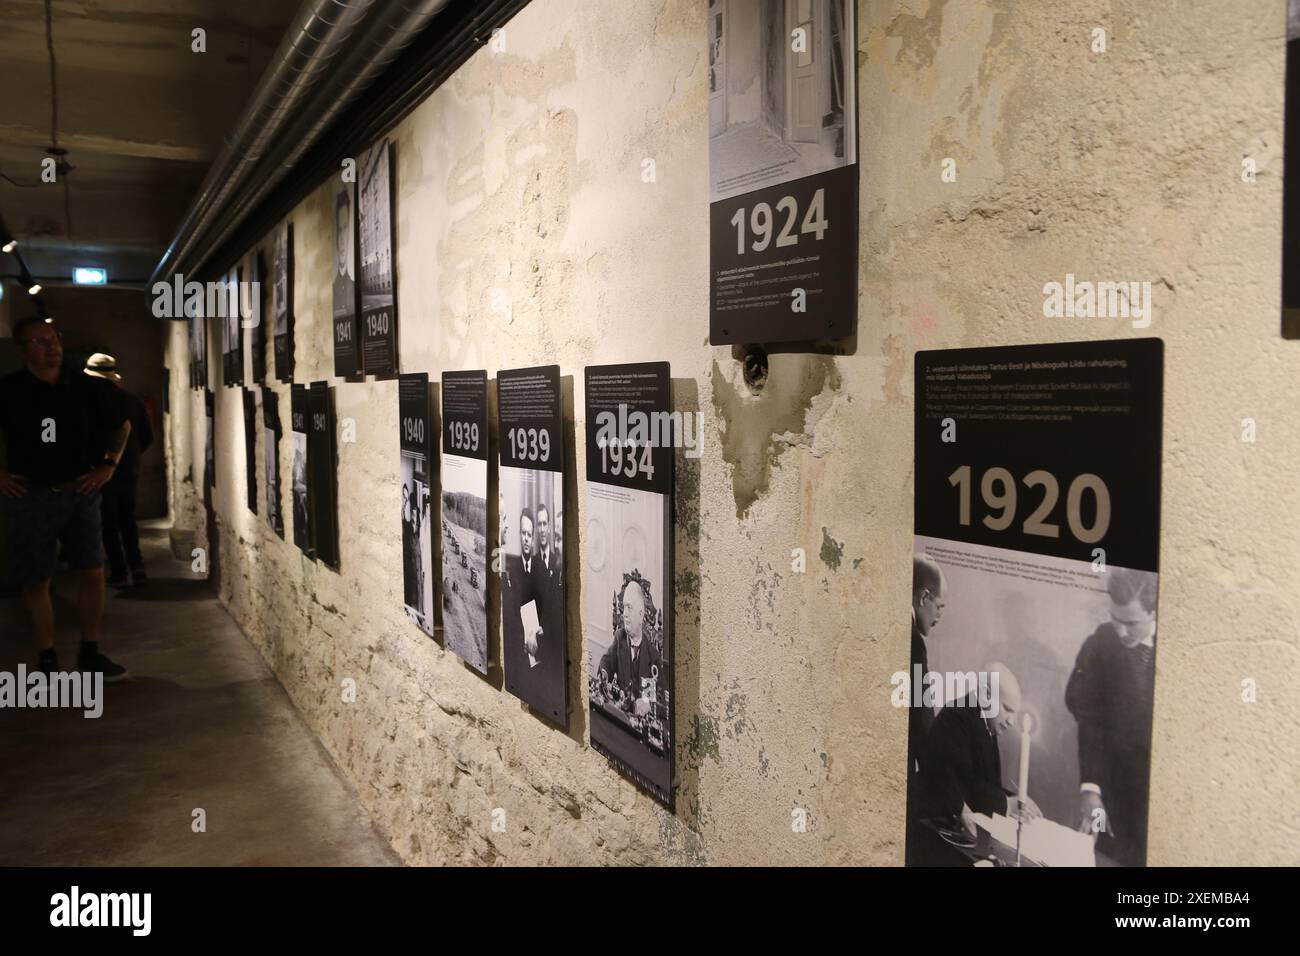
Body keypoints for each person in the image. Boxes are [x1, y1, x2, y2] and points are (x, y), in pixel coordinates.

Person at [0, 316, 130, 680]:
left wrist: (109, 465)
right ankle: (46, 654)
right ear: (23, 349)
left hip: (79, 492)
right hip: (31, 494)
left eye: (53, 337)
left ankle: (90, 650)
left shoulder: (85, 387)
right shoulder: (9, 389)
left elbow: (122, 424)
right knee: (37, 579)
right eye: (40, 341)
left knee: (92, 572)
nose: (52, 345)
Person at [1065, 568, 1159, 866]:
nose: (1121, 631)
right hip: (1113, 801)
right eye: (1115, 619)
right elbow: (1084, 712)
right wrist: (1091, 788)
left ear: (1153, 611)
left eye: (1131, 623)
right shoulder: (1102, 642)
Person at [920, 663, 1042, 824]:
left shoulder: (982, 721)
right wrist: (1006, 804)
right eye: (1007, 709)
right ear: (986, 694)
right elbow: (960, 785)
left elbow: (982, 783)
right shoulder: (956, 718)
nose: (1011, 722)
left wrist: (1013, 798)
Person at [84, 353, 153, 589]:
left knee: (107, 523)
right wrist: (130, 458)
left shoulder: (87, 402)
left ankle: (119, 571)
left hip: (97, 470)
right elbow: (146, 436)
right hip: (128, 469)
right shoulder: (132, 400)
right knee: (127, 519)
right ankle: (138, 567)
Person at [598, 577, 662, 715]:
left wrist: (647, 703)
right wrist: (604, 672)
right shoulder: (620, 637)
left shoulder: (652, 657)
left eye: (629, 607)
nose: (624, 614)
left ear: (640, 615)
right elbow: (607, 661)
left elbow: (651, 699)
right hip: (619, 712)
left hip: (638, 723)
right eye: (624, 606)